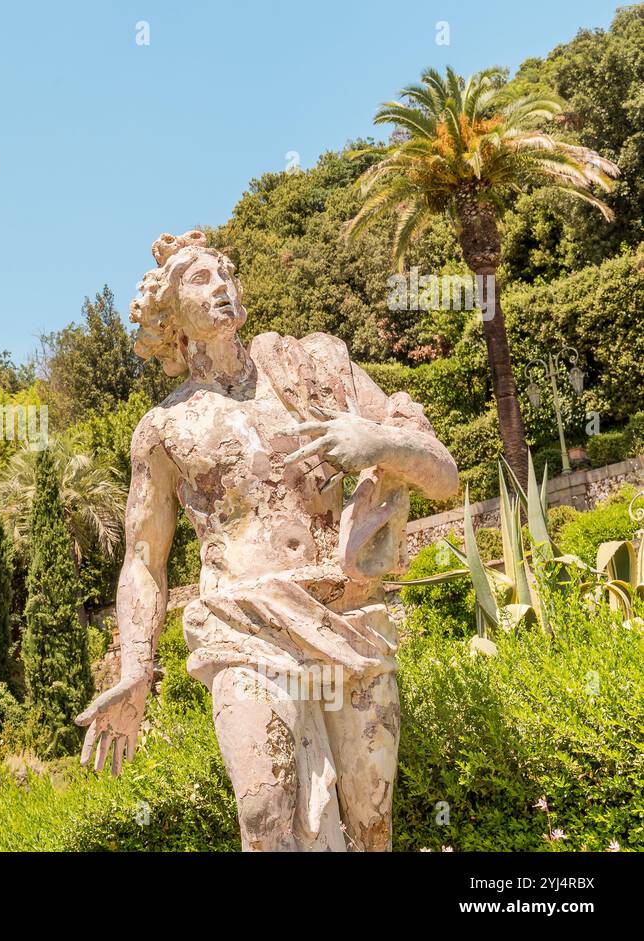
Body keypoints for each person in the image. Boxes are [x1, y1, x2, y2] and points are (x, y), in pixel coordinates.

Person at [75, 230, 457, 851]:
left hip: (345, 618)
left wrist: (376, 441)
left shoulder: (314, 370)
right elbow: (144, 559)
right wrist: (137, 666)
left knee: (370, 824)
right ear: (169, 313)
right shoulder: (164, 428)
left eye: (227, 272)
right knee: (262, 815)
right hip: (242, 628)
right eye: (201, 278)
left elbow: (443, 476)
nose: (222, 284)